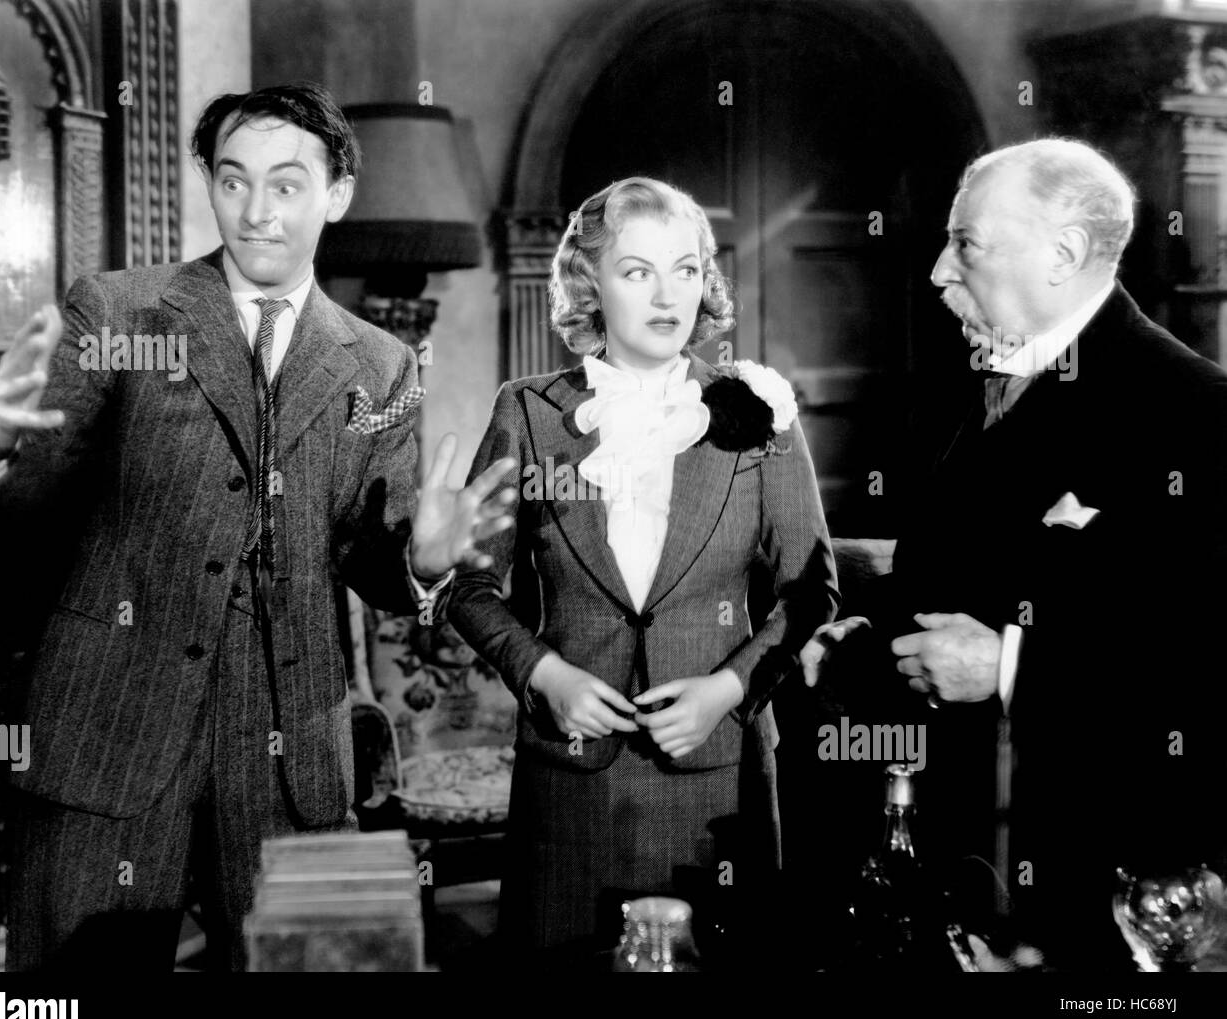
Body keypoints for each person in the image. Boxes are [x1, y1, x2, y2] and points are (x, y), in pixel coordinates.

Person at [0, 82, 515, 971]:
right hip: (111, 732)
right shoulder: (120, 312)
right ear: (207, 180)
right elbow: (25, 529)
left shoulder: (383, 361)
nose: (257, 212)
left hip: (292, 759)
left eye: (287, 184)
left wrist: (425, 564)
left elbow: (376, 557)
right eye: (234, 180)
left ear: (337, 193)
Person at [802, 138, 1227, 971]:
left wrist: (1011, 666)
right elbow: (963, 573)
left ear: (1063, 254)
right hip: (956, 856)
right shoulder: (983, 382)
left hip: (1101, 883)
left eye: (965, 244)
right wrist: (868, 629)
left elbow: (1207, 666)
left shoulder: (1198, 413)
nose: (936, 272)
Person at [449, 177, 839, 964]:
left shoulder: (757, 411)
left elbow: (811, 592)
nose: (669, 296)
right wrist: (546, 675)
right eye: (637, 272)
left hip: (717, 776)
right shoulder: (528, 413)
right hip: (570, 783)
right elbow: (467, 586)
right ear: (590, 285)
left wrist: (728, 692)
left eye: (687, 270)